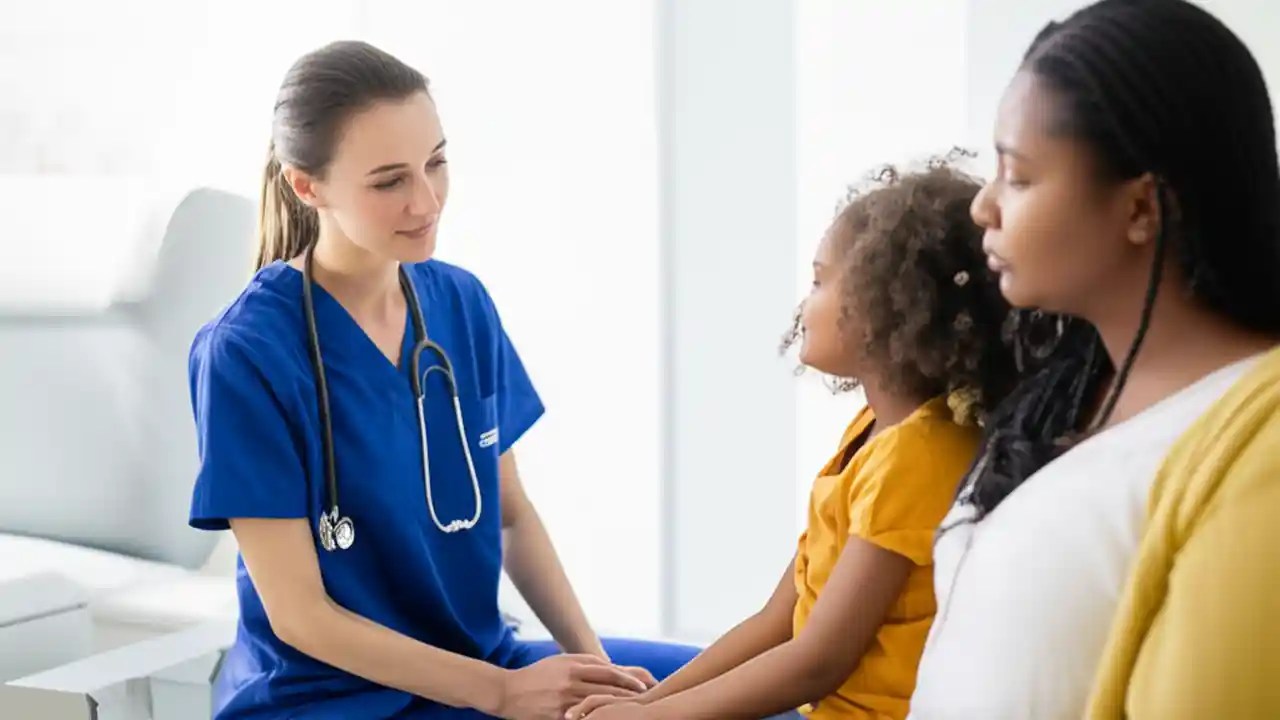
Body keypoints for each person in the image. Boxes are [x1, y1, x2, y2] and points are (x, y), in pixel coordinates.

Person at [187, 41, 697, 720]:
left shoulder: (460, 304)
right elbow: (302, 617)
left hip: (480, 664)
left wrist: (596, 668)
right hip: (332, 700)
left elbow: (510, 515)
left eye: (436, 163)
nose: (427, 201)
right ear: (308, 187)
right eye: (390, 180)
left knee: (750, 695)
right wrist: (506, 694)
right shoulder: (246, 353)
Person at [908, 1, 1280, 718]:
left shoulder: (1255, 442)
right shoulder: (1064, 394)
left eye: (1017, 176)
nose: (984, 206)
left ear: (1142, 208)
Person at [569, 157, 1020, 720]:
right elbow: (777, 620)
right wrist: (646, 703)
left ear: (889, 305)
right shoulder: (873, 433)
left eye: (820, 280)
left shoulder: (920, 455)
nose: (805, 302)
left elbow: (817, 662)